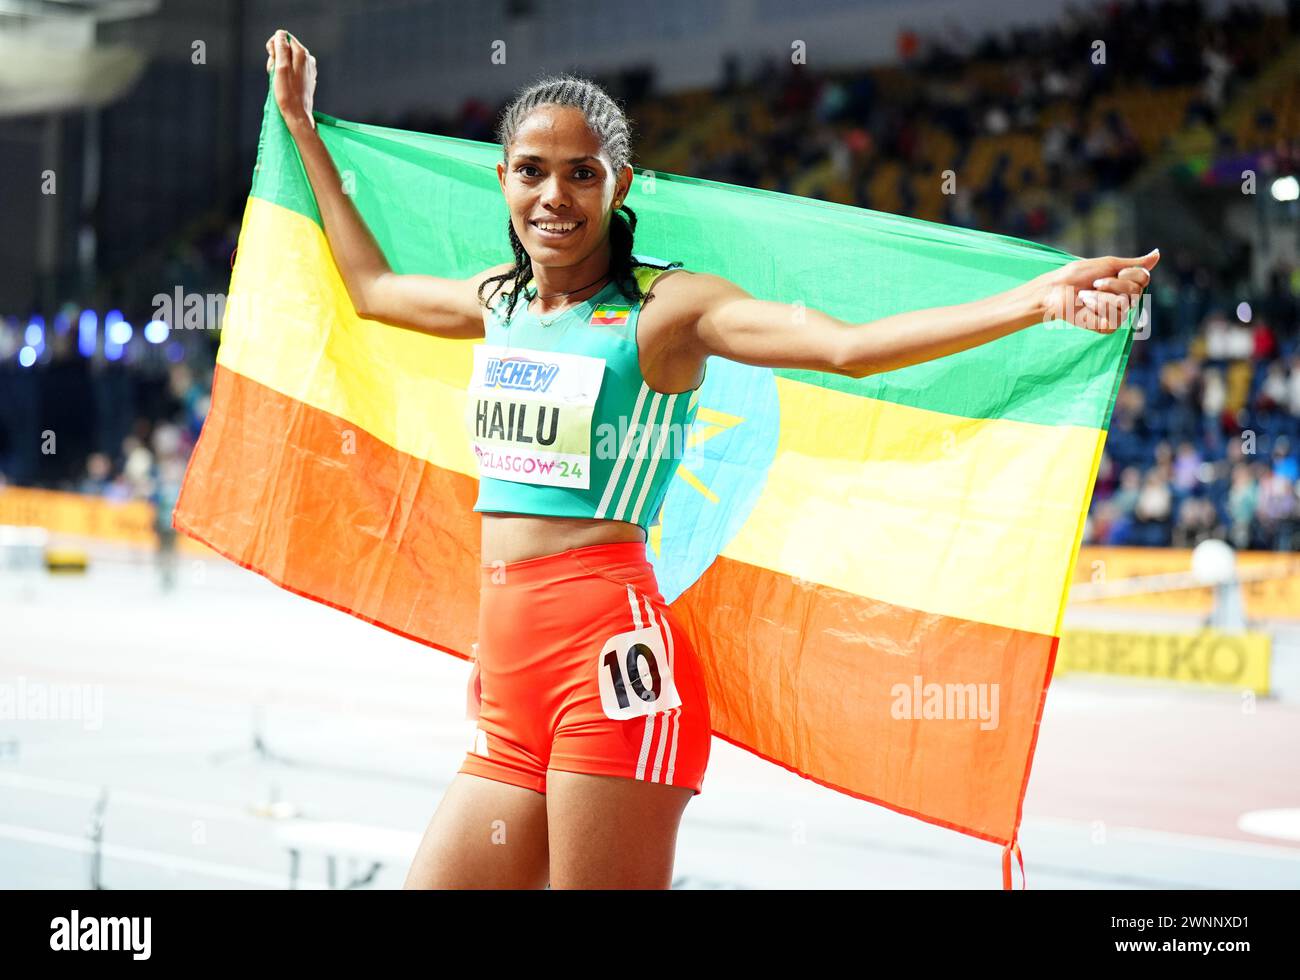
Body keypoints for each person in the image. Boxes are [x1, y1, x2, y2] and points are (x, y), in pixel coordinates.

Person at [265, 29, 1158, 889]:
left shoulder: (669, 310)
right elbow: (374, 291)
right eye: (532, 172)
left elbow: (849, 348)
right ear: (502, 179)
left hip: (609, 675)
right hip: (506, 682)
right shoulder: (498, 302)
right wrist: (303, 129)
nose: (555, 197)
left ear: (617, 185)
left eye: (583, 174)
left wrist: (1035, 299)